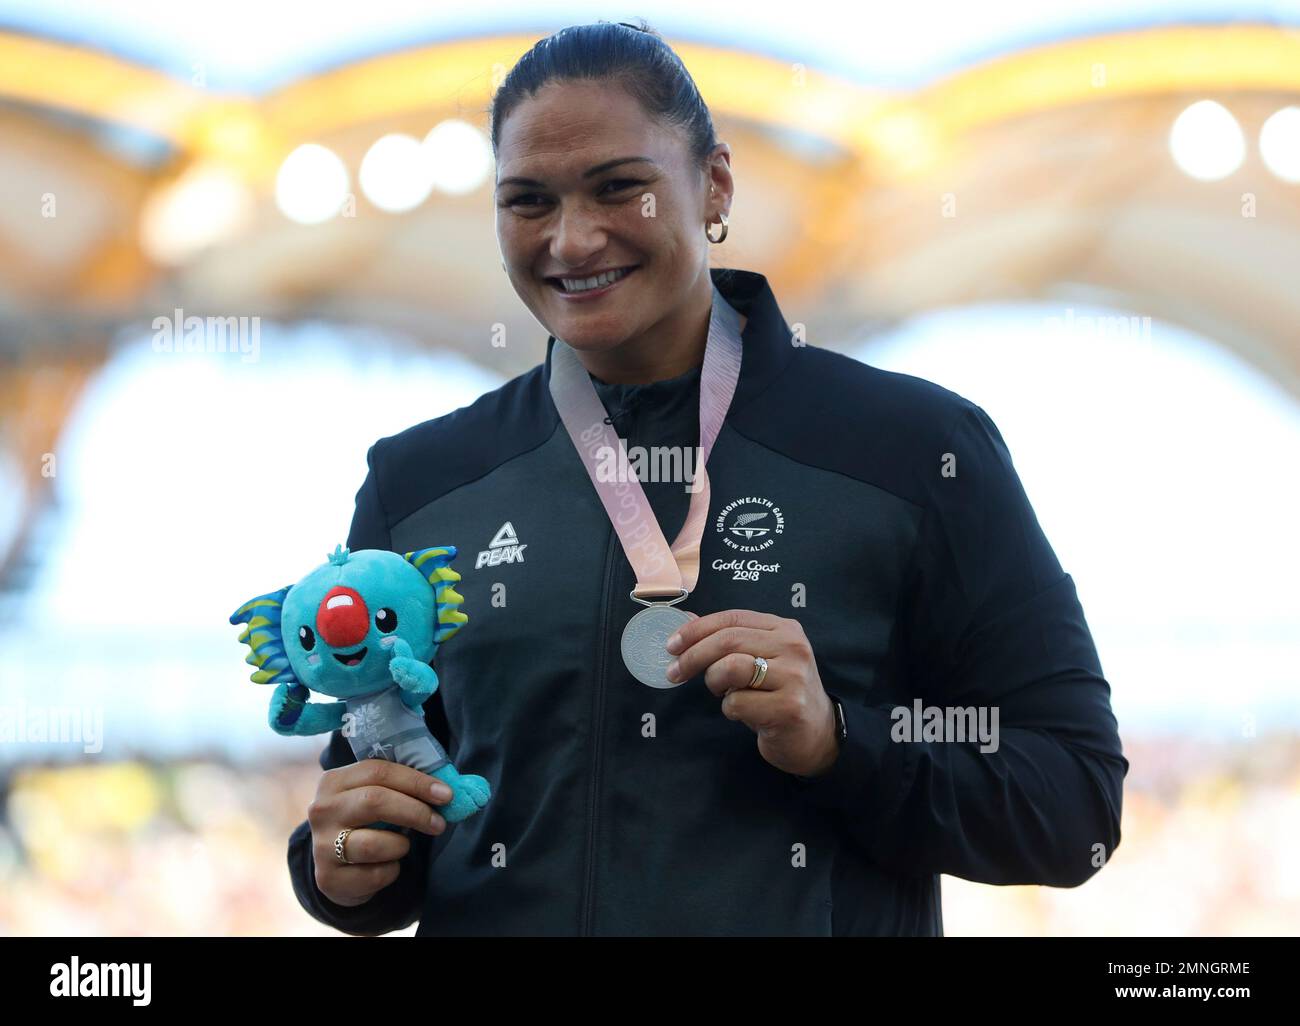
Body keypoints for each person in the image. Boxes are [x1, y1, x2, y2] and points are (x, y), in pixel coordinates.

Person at [286, 19, 1126, 936]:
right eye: (528, 202)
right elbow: (379, 803)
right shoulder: (422, 481)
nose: (572, 239)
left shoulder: (913, 449)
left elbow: (1075, 801)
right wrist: (334, 868)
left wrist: (845, 743)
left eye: (620, 188)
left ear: (714, 184)